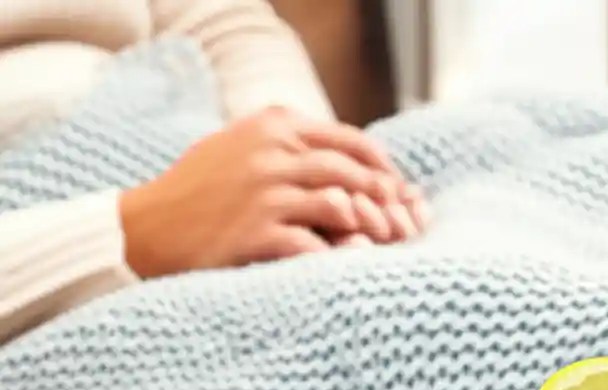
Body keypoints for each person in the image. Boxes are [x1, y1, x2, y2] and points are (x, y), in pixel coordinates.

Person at [0, 0, 430, 344]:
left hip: (203, 154)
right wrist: (134, 233)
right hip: (50, 278)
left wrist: (313, 177)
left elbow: (225, 23)